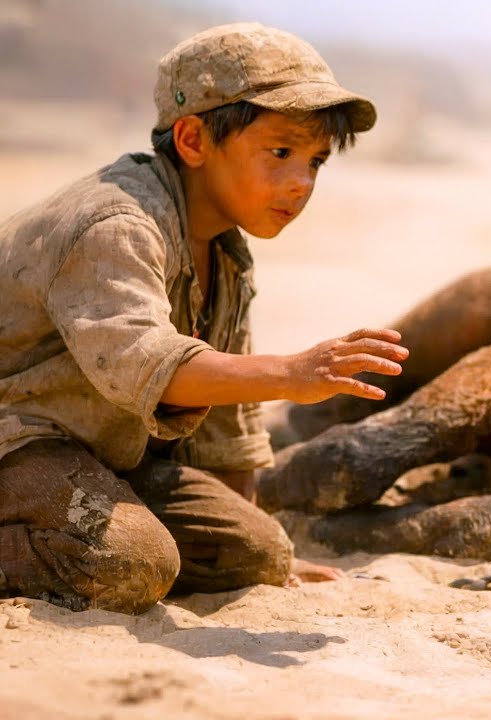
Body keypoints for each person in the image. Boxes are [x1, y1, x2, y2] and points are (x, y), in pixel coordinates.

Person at [0, 22, 408, 613]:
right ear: (192, 141)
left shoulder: (224, 252)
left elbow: (227, 430)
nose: (301, 183)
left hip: (100, 451)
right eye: (281, 152)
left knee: (258, 555)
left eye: (316, 161)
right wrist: (291, 373)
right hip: (18, 437)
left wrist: (264, 548)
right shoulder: (116, 225)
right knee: (133, 564)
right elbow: (151, 367)